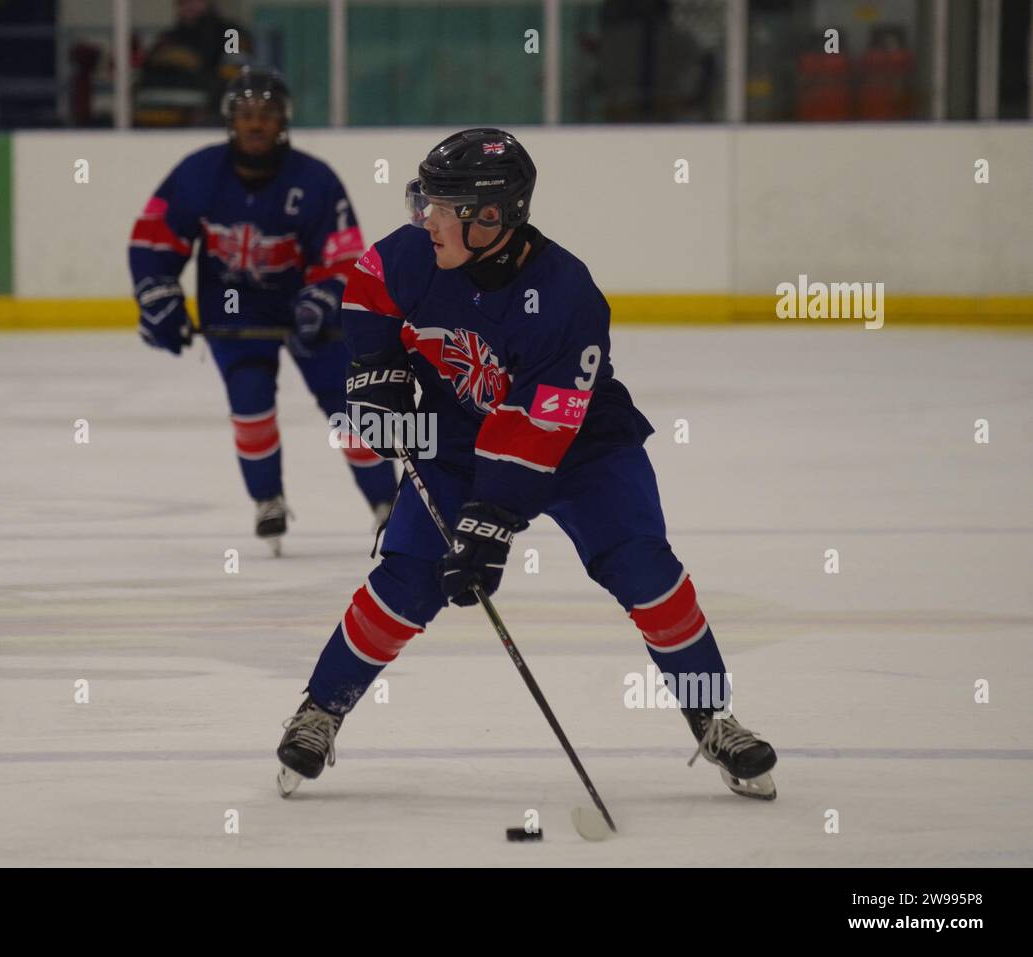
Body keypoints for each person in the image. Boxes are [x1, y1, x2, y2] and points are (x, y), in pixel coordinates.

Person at [275, 128, 778, 801]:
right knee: (408, 578)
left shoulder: (566, 294)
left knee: (644, 567)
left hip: (582, 446)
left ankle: (713, 714)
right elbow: (368, 291)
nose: (426, 217)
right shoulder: (412, 255)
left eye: (444, 205)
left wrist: (491, 526)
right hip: (457, 440)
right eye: (427, 199)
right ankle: (321, 708)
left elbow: (538, 429)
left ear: (493, 218)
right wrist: (374, 371)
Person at [129, 67, 397, 554]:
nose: (256, 124)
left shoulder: (315, 181)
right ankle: (267, 500)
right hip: (234, 310)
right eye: (246, 114)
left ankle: (388, 504)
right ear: (231, 121)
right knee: (250, 400)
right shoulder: (197, 174)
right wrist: (159, 296)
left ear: (284, 122)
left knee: (350, 408)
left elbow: (341, 255)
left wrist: (321, 301)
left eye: (267, 115)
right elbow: (155, 240)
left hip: (307, 307)